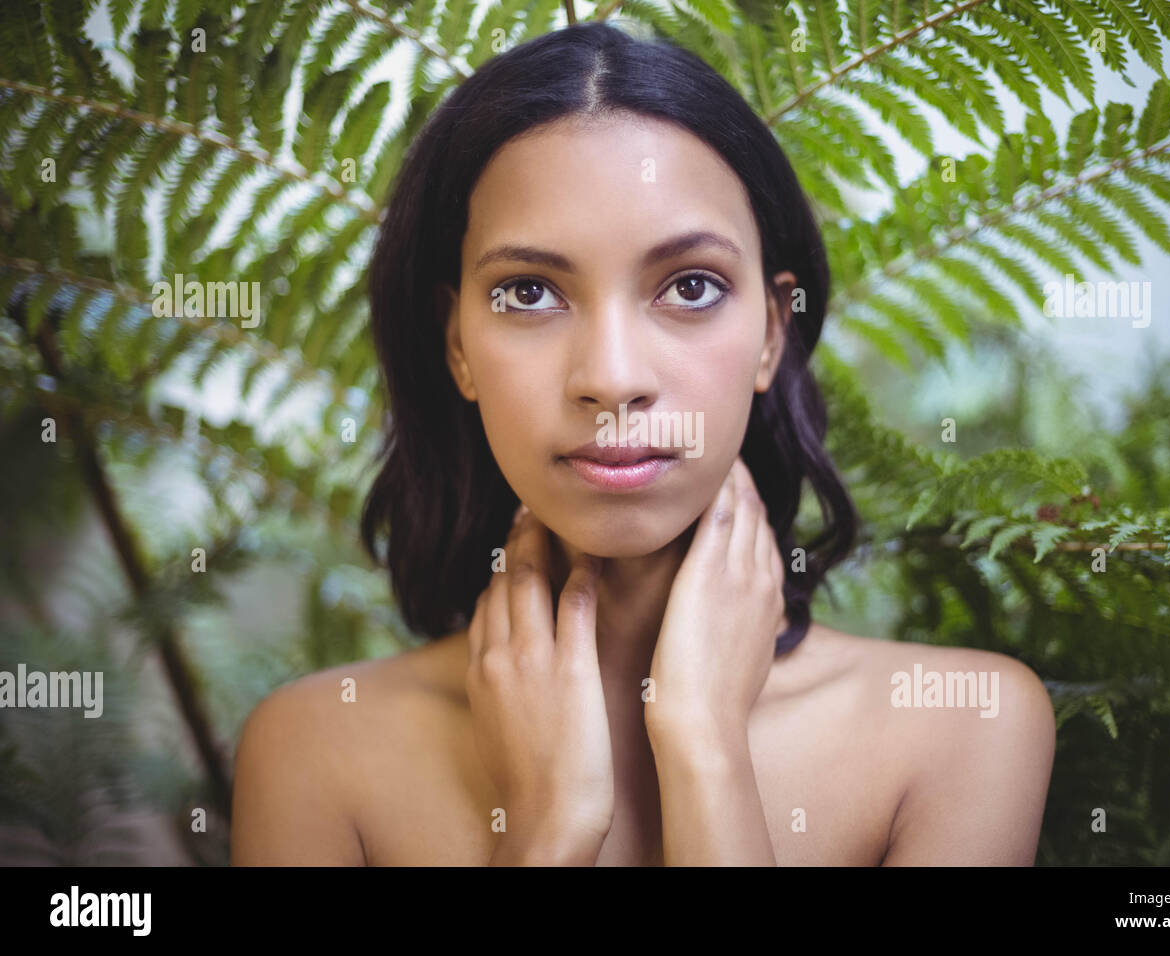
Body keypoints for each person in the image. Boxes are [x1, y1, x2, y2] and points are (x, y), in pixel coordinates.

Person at [231, 20, 1055, 866]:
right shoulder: (317, 753)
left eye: (690, 286)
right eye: (529, 292)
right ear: (456, 346)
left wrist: (704, 750)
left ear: (773, 332)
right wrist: (552, 825)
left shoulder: (962, 729)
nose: (613, 377)